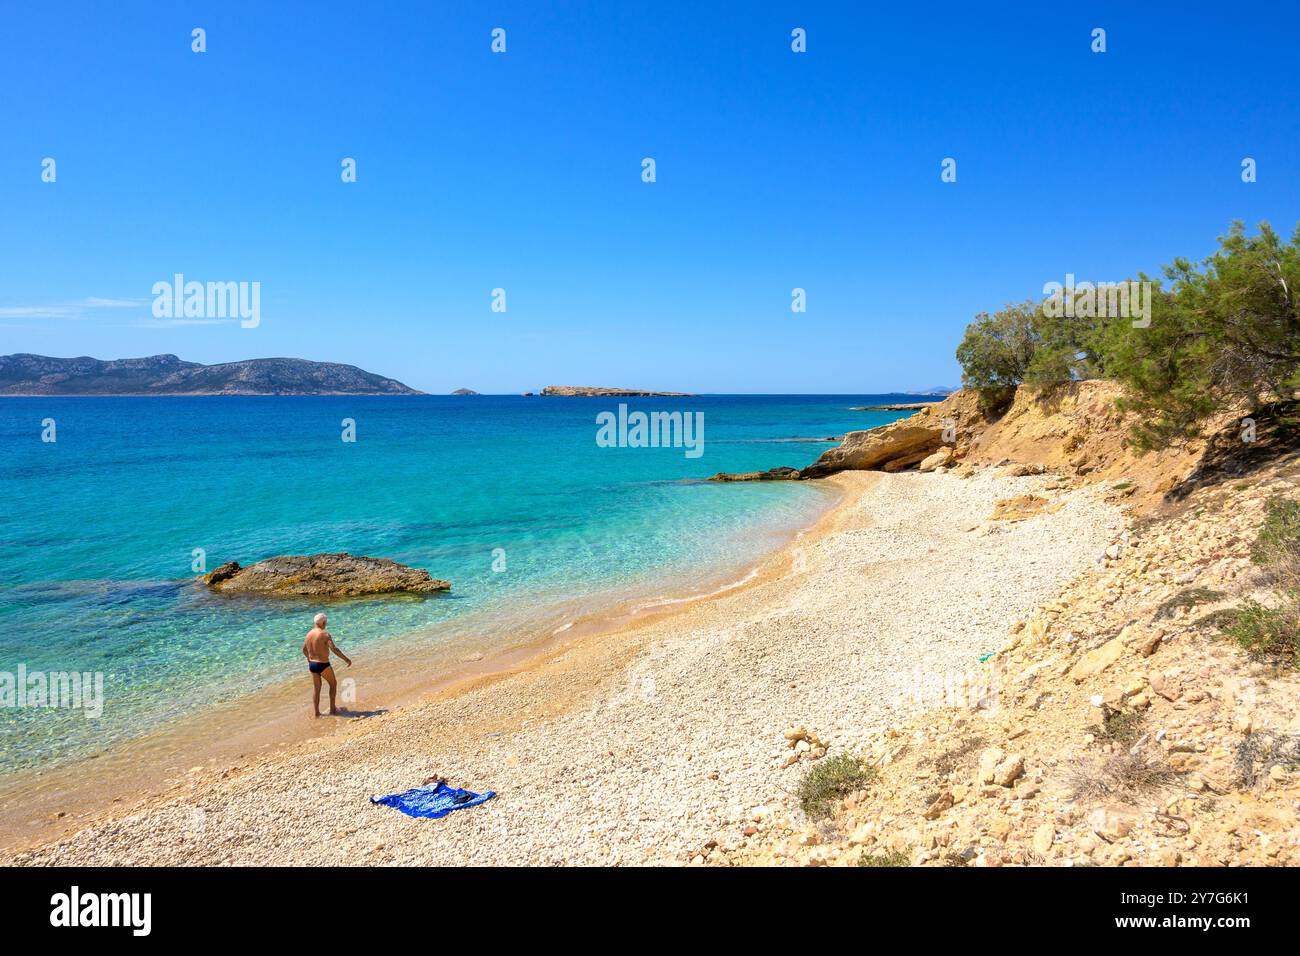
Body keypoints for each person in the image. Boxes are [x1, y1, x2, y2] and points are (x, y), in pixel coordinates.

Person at [302, 612, 352, 717]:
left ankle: (317, 713)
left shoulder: (308, 634)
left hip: (312, 665)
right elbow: (334, 649)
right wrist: (346, 659)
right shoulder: (325, 634)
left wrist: (309, 659)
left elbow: (304, 650)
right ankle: (332, 710)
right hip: (323, 664)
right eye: (326, 622)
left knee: (317, 689)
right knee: (333, 684)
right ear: (323, 622)